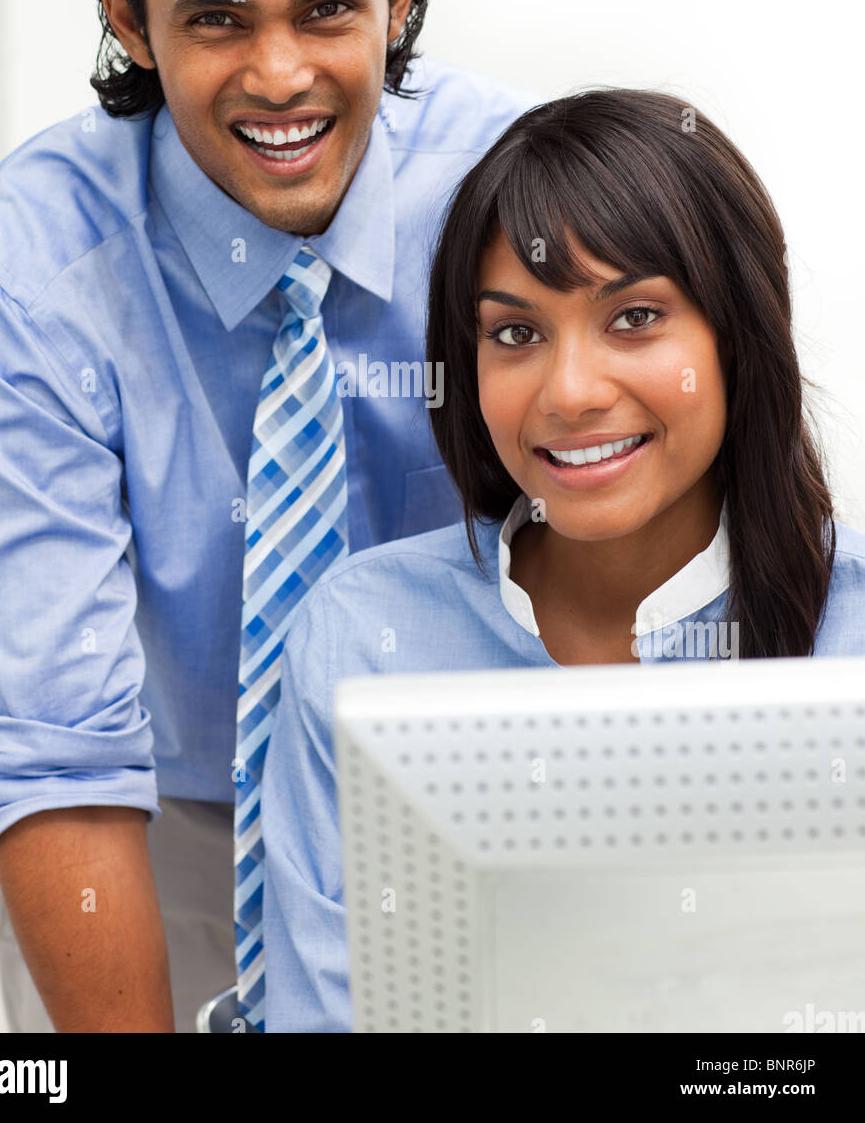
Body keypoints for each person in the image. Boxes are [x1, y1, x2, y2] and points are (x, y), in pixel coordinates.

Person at [0, 0, 543, 1033]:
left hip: (488, 796)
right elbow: (57, 749)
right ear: (128, 20)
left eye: (327, 11)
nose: (280, 76)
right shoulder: (27, 269)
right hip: (160, 825)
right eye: (217, 21)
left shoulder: (519, 190)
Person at [258, 87, 865, 1032]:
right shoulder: (361, 641)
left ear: (738, 336)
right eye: (515, 333)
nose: (570, 391)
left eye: (633, 318)